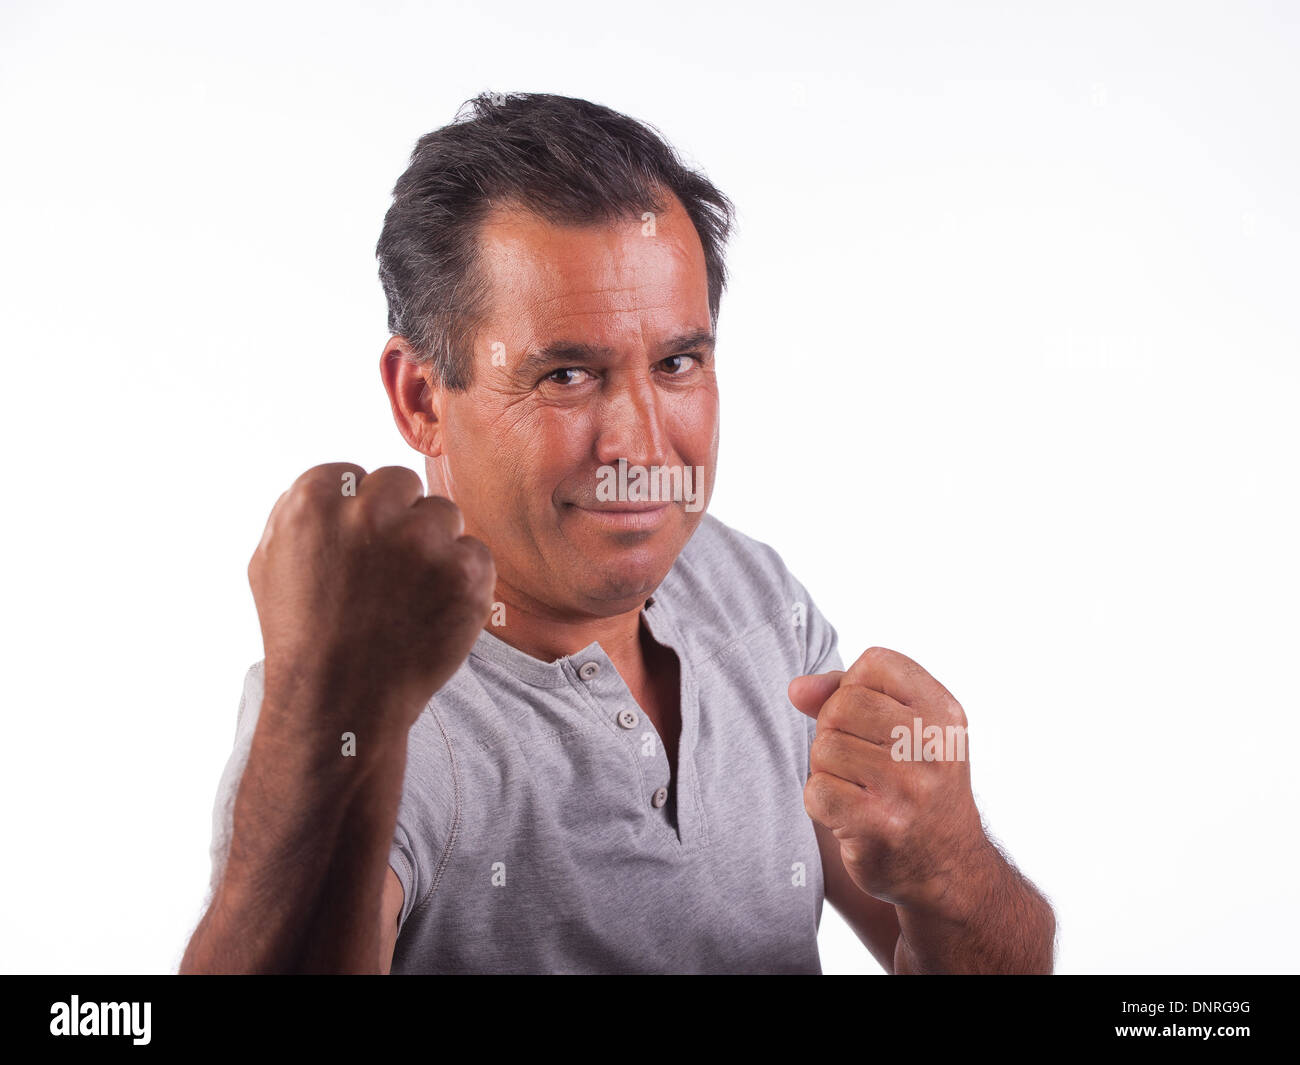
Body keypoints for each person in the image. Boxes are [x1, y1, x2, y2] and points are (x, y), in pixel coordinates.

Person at [180, 92, 1056, 974]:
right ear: (420, 398)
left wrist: (956, 869)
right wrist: (334, 712)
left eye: (678, 362)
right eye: (566, 374)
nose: (640, 447)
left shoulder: (750, 595)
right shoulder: (376, 708)